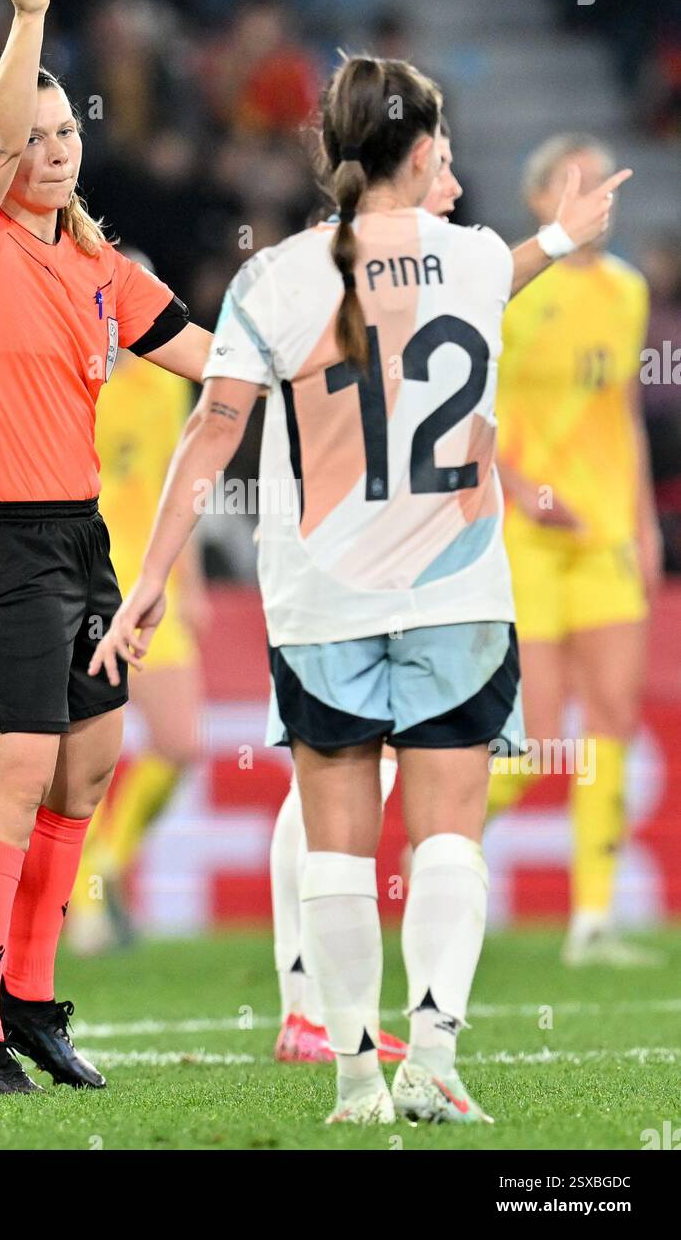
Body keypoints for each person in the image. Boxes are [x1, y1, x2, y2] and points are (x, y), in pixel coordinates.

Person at [93, 54, 533, 1126]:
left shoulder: (275, 279)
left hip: (322, 596)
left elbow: (214, 428)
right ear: (426, 151)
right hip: (457, 592)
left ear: (329, 152)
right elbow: (513, 265)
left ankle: (352, 1080)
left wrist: (151, 574)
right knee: (447, 838)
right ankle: (433, 1055)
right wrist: (564, 234)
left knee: (336, 840)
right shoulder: (475, 261)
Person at [270, 120, 633, 1061]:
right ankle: (321, 1006)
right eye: (443, 167)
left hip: (426, 572)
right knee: (358, 787)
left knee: (372, 780)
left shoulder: (437, 269)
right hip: (384, 567)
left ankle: (348, 1028)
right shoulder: (361, 274)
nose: (458, 184)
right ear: (408, 170)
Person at [0, 0, 209, 1095]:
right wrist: (30, 7)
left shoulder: (101, 264)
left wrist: (332, 340)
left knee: (88, 774)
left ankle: (32, 1001)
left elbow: (209, 354)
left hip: (81, 539)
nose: (50, 149)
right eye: (30, 135)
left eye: (64, 132)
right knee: (12, 779)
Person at [487, 134, 660, 967]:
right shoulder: (511, 289)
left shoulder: (628, 290)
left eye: (603, 181)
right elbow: (465, 411)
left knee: (613, 720)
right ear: (535, 198)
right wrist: (521, 493)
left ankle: (592, 918)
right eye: (577, 182)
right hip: (529, 535)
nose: (596, 195)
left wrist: (645, 524)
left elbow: (621, 408)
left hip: (606, 537)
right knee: (533, 738)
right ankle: (442, 845)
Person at [68, 323, 207, 954]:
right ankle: (81, 895)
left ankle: (105, 862)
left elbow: (181, 480)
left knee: (180, 743)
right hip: (86, 580)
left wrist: (193, 577)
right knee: (86, 750)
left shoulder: (165, 386)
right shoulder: (70, 384)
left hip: (153, 582)